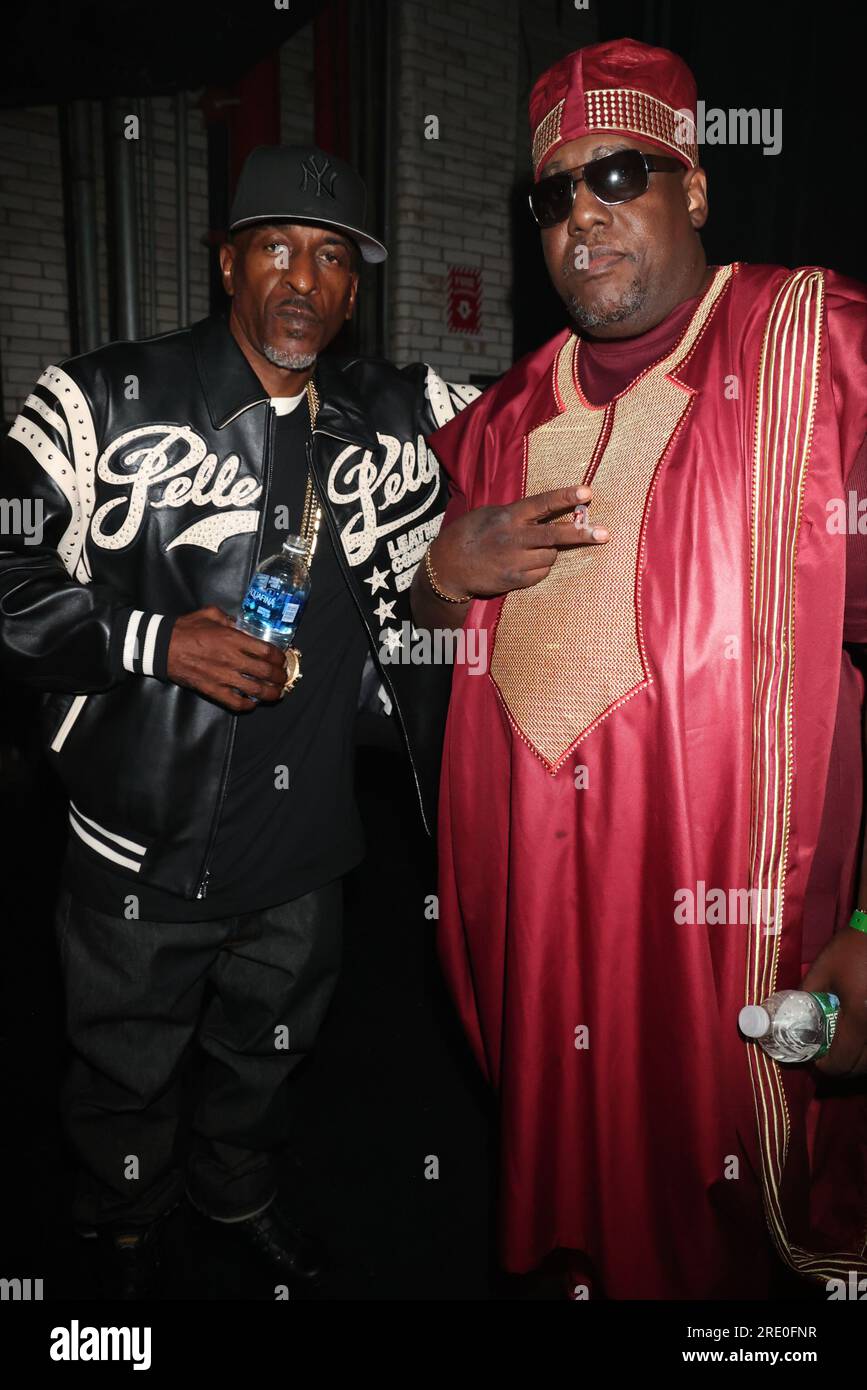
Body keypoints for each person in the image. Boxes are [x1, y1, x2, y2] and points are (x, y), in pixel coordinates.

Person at [411, 38, 867, 1299]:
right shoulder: (500, 424)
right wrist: (439, 572)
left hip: (738, 967)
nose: (585, 216)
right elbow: (402, 652)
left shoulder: (814, 353)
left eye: (622, 174)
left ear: (697, 188)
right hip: (549, 963)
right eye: (554, 194)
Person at [0, 143, 478, 1298]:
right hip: (138, 840)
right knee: (122, 1067)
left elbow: (552, 409)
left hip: (304, 848)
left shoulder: (391, 417)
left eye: (330, 257)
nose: (302, 279)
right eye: (275, 247)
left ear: (354, 290)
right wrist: (156, 638)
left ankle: (236, 1196)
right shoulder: (99, 400)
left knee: (267, 1054)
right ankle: (122, 1228)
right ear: (227, 263)